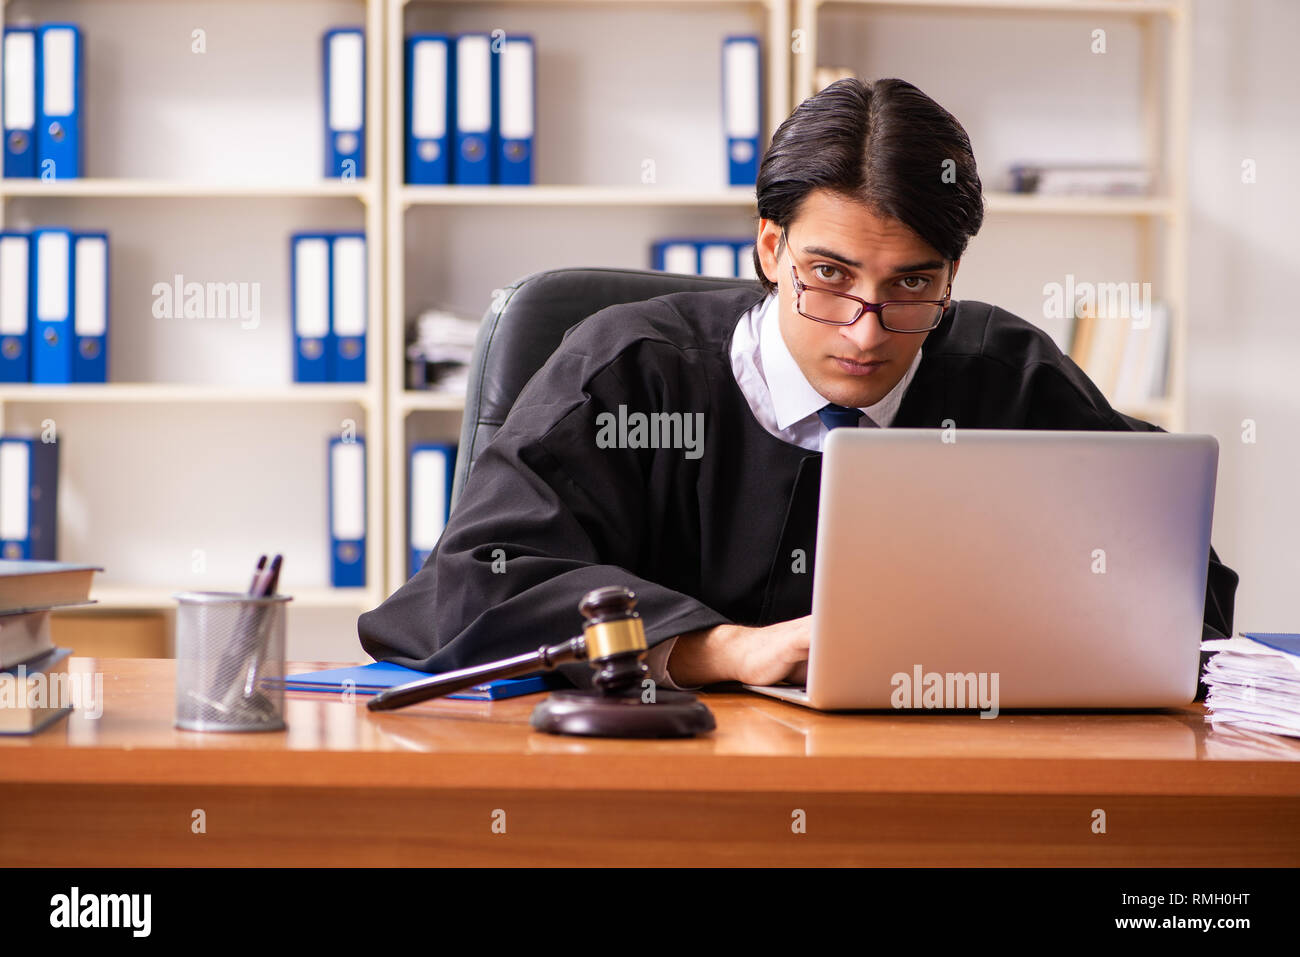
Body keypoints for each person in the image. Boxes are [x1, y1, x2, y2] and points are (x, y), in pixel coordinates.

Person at [358, 77, 1238, 698]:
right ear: (771, 248)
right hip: (674, 798)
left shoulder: (1004, 374)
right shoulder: (628, 373)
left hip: (952, 778)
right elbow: (474, 586)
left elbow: (1181, 591)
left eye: (911, 286)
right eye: (830, 274)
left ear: (952, 272)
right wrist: (721, 649)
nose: (865, 330)